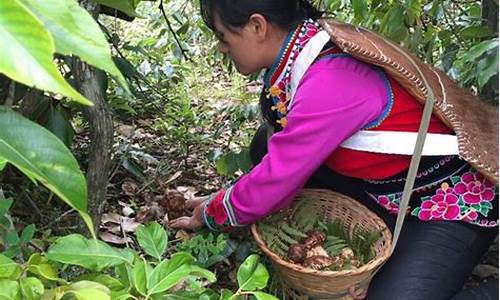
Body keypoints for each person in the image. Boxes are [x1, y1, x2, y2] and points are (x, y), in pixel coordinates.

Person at [170, 0, 499, 299]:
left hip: (448, 203)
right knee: (264, 145)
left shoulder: (330, 80)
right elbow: (283, 157)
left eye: (225, 37)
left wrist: (212, 213)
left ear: (258, 27)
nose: (222, 48)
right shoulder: (309, 46)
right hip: (387, 187)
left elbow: (276, 179)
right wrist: (230, 199)